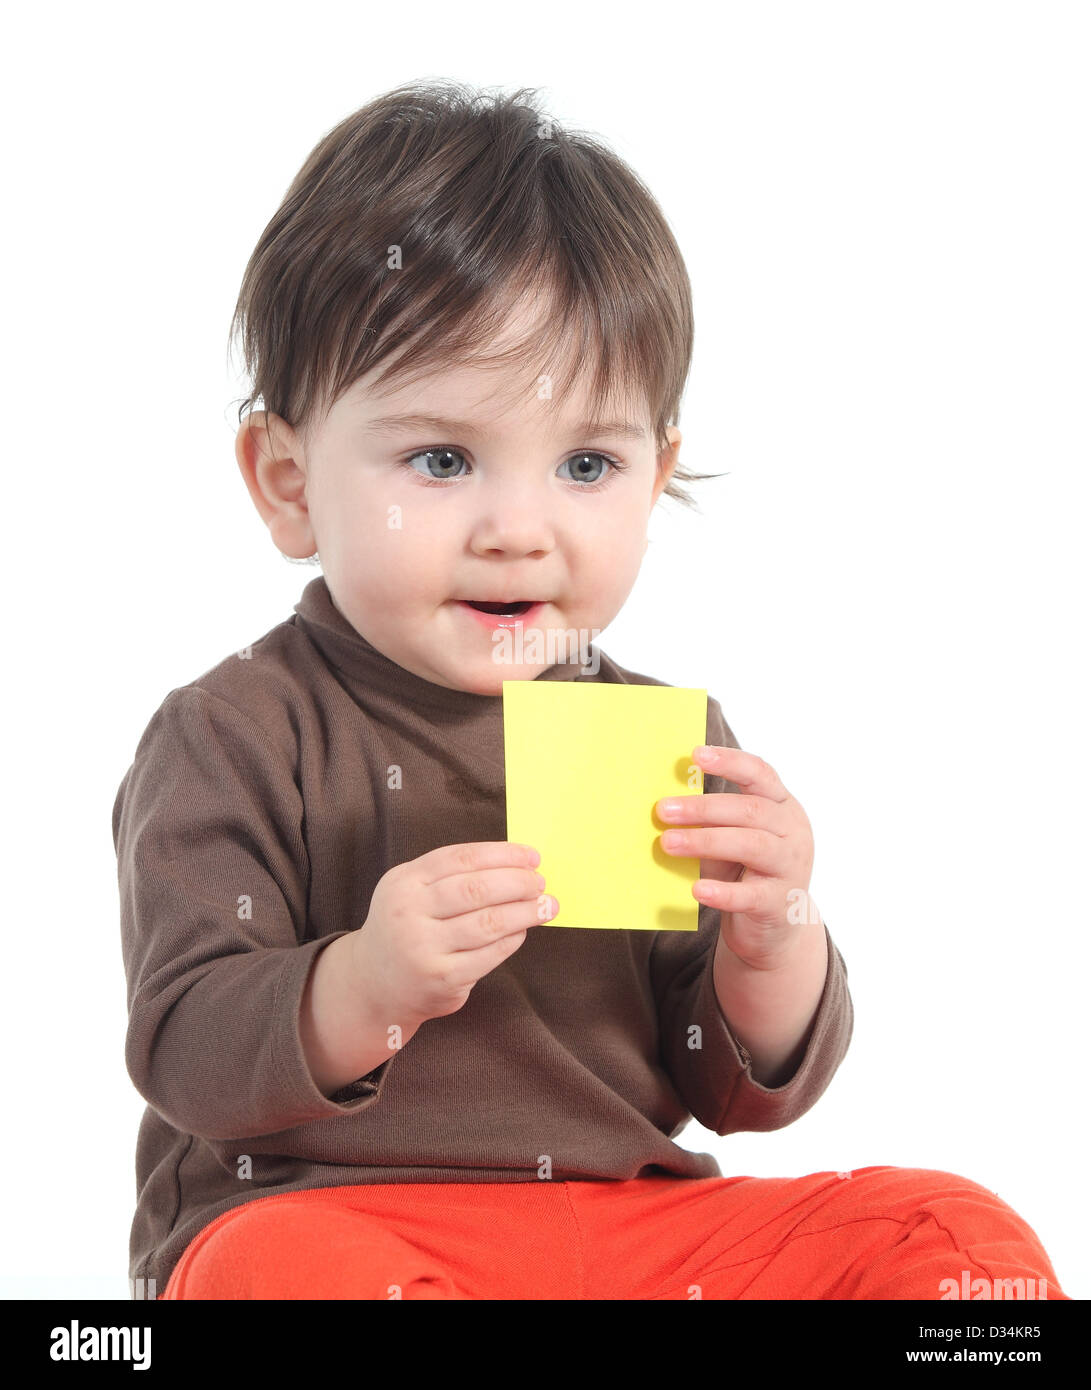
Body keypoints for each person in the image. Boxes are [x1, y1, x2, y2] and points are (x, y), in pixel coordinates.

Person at [113, 79, 1069, 1301]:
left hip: (632, 1237)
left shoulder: (653, 739)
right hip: (342, 1225)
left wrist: (773, 937)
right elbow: (184, 1050)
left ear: (655, 474)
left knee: (950, 1237)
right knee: (283, 1276)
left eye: (585, 463)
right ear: (289, 482)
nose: (521, 530)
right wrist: (364, 981)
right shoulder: (235, 728)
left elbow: (733, 1087)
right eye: (443, 459)